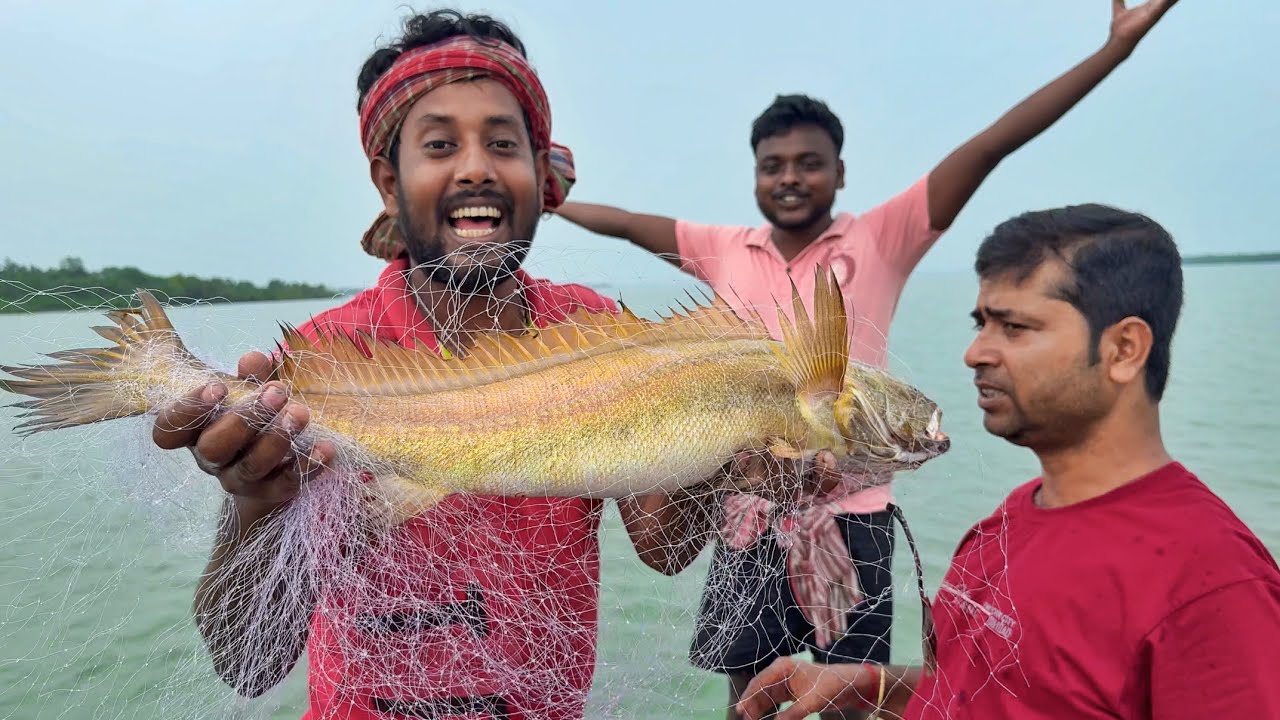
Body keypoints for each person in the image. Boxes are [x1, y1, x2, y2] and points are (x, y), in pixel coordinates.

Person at [147, 10, 784, 720]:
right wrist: (256, 505)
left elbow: (664, 548)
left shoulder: (596, 332)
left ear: (539, 174)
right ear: (389, 183)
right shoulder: (328, 358)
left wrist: (732, 455)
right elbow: (247, 662)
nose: (476, 167)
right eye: (441, 144)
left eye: (503, 144)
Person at [554, 3, 1184, 717]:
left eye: (809, 164)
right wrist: (553, 203)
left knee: (856, 699)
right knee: (748, 695)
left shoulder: (880, 239)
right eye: (773, 166)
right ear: (754, 175)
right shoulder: (724, 249)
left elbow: (988, 148)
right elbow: (629, 225)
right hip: (747, 512)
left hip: (852, 518)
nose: (791, 179)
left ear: (841, 171)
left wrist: (1112, 52)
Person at [736, 203, 1280, 720]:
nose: (975, 353)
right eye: (981, 323)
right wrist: (864, 684)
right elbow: (988, 691)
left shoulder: (1211, 585)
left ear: (1123, 349)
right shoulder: (1003, 526)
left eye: (1013, 327)